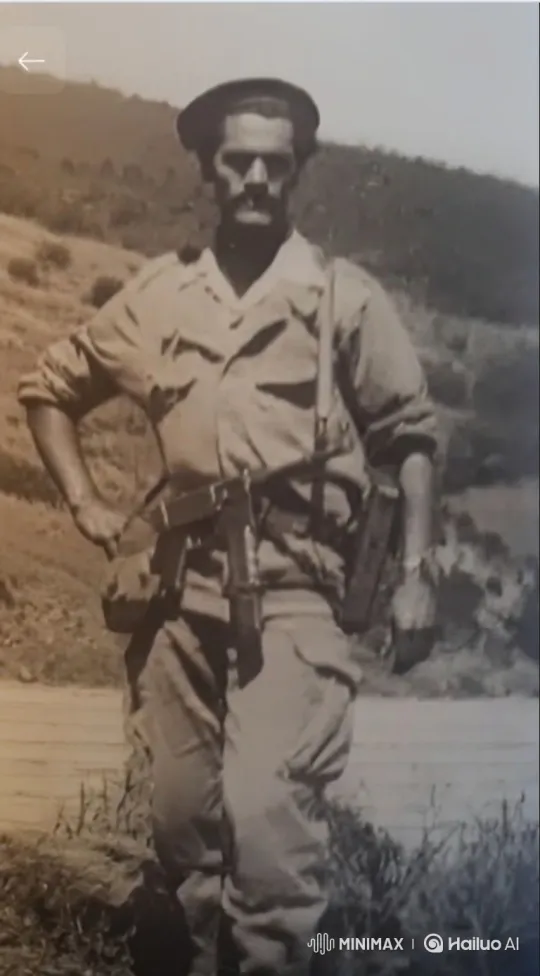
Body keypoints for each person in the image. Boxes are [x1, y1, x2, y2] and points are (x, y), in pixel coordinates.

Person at [18, 77, 439, 975]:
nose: (255, 178)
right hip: (177, 599)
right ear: (209, 168)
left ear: (298, 173)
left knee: (269, 828)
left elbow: (410, 439)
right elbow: (50, 389)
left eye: (274, 164)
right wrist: (89, 507)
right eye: (237, 160)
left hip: (295, 592)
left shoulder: (341, 300)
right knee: (183, 833)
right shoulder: (159, 296)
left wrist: (413, 575)